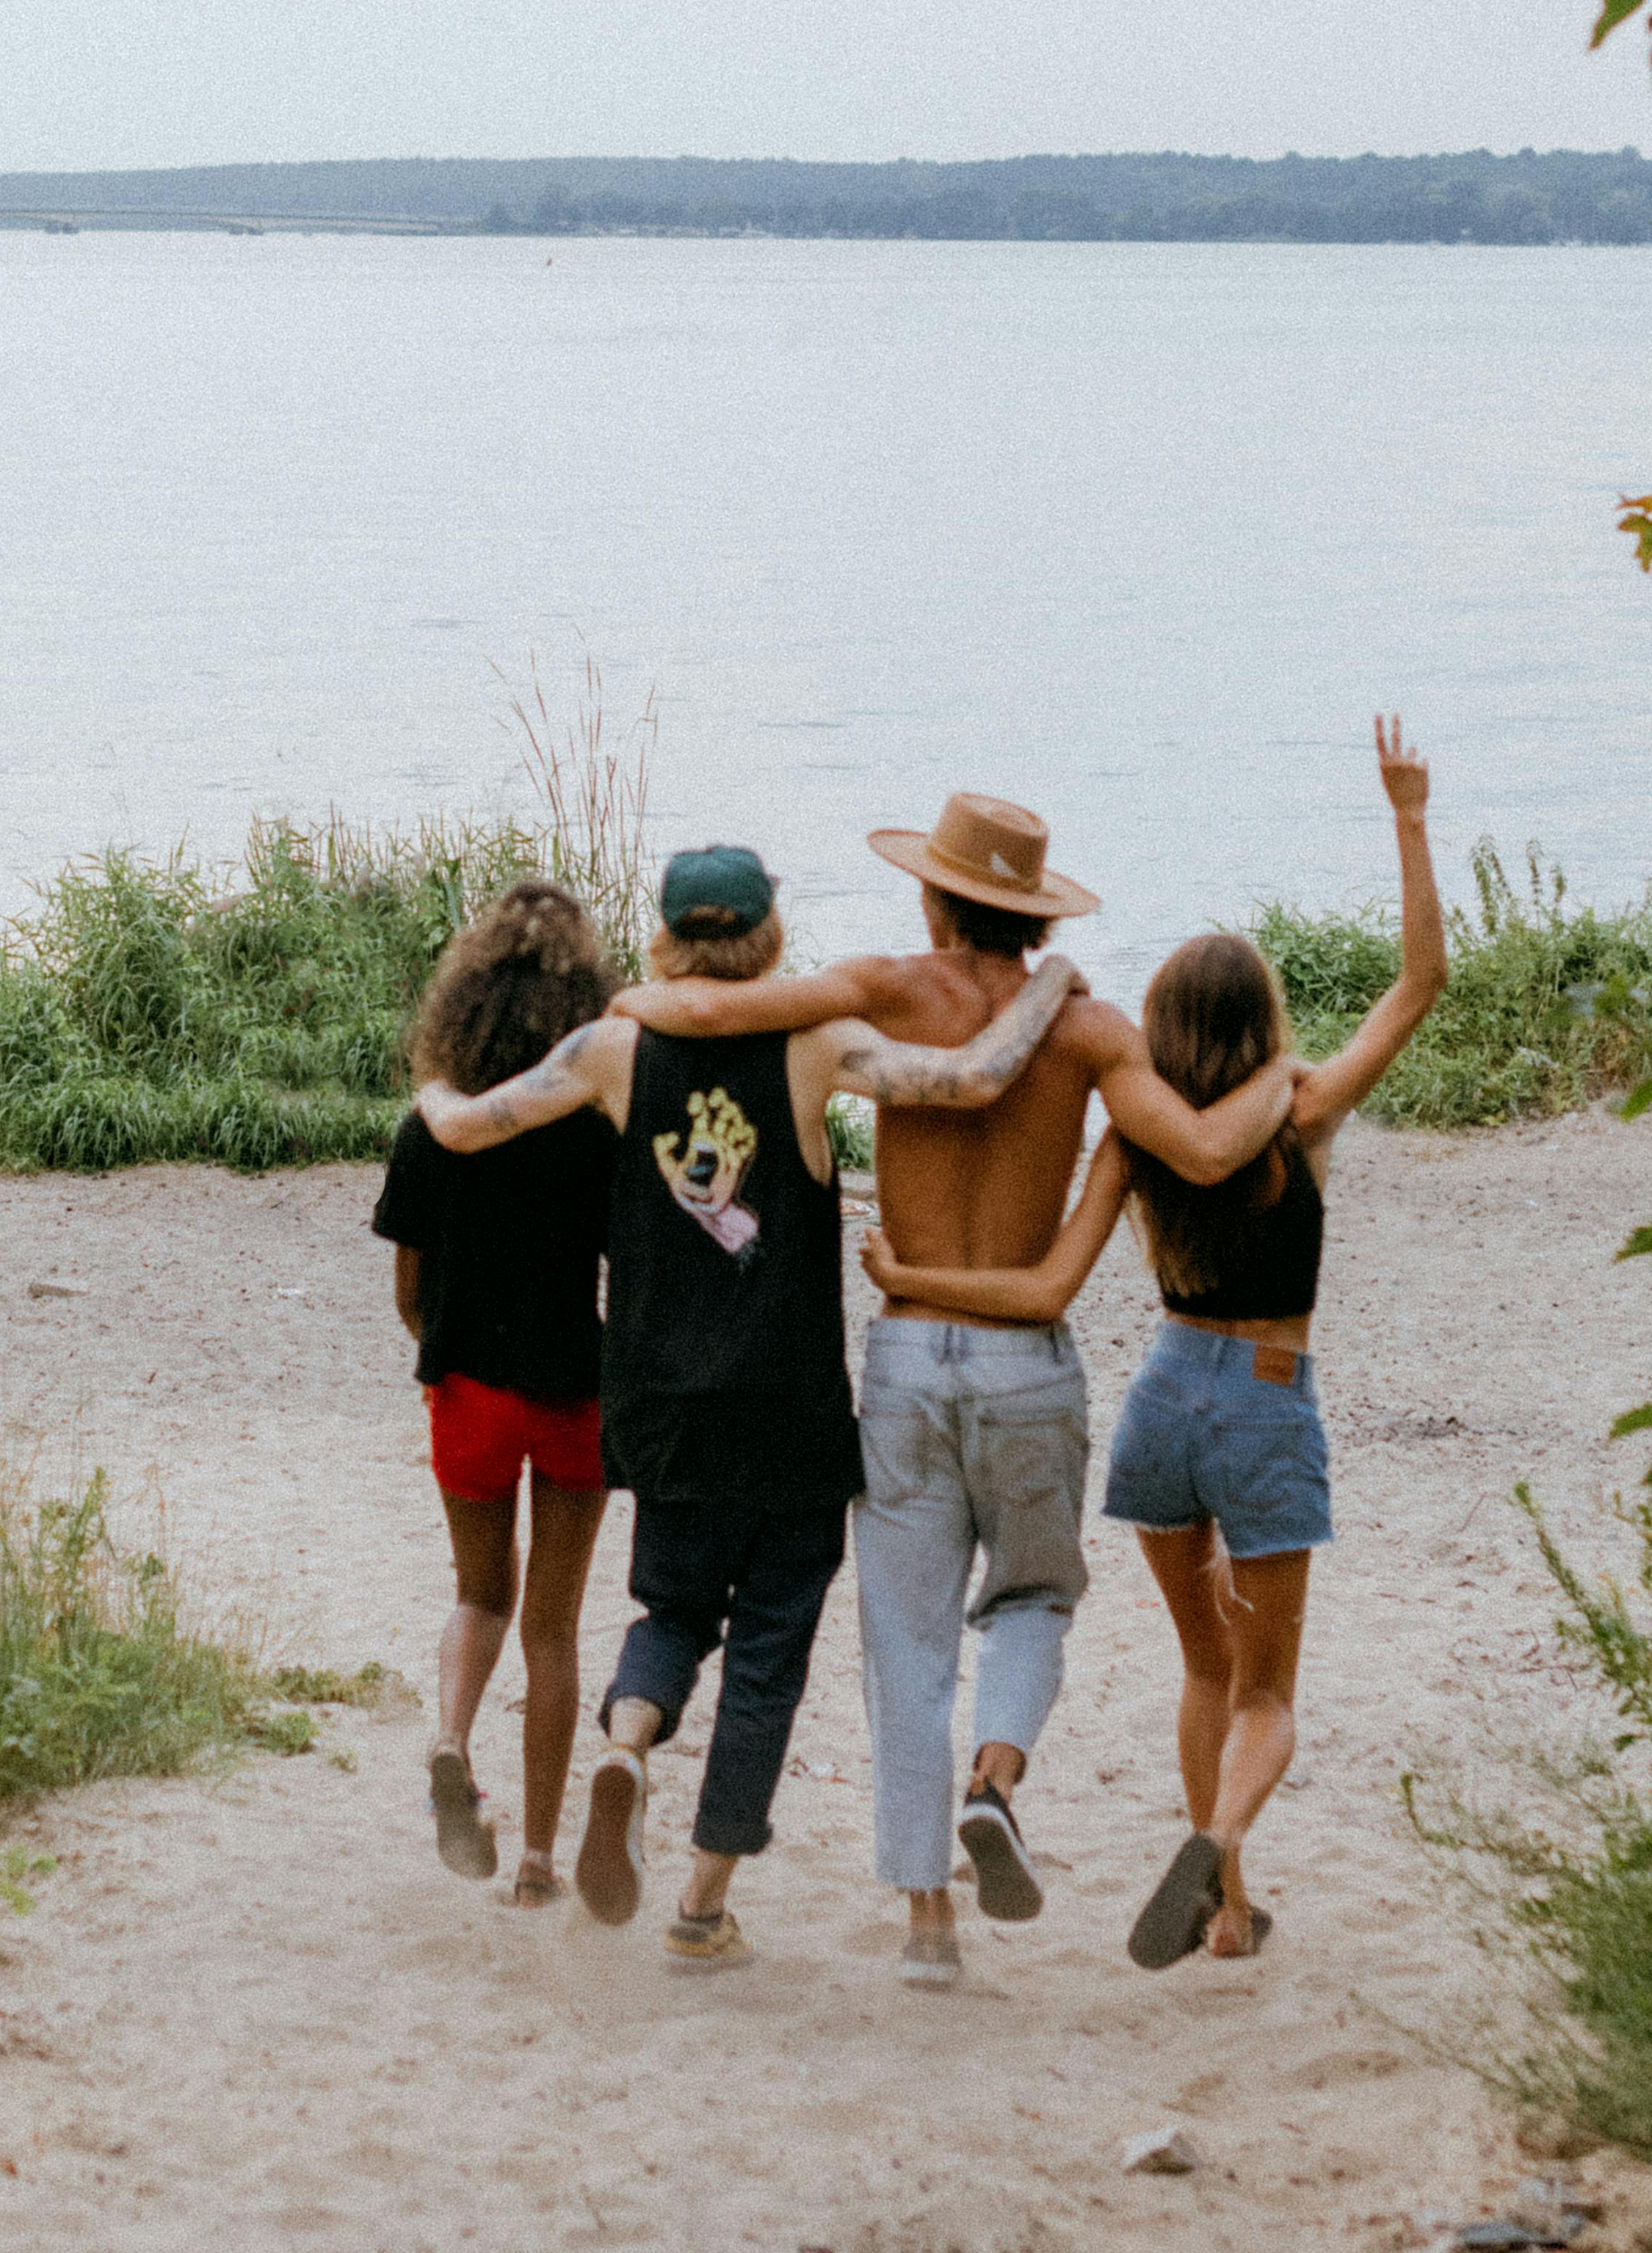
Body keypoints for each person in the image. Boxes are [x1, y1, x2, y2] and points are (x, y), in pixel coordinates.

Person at [614, 795, 1300, 1988]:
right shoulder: (1088, 1030)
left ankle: (928, 1925)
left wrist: (626, 1004)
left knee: (907, 1642)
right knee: (1033, 1597)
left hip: (905, 1356)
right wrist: (1290, 1076)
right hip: (1025, 1363)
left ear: (934, 899)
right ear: (1035, 917)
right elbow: (1198, 1150)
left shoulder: (880, 989)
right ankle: (996, 1778)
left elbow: (713, 1010)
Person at [413, 841, 1087, 1969]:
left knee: (670, 1614)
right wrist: (1054, 984)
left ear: (665, 936)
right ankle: (701, 1900)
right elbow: (973, 1079)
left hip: (659, 1405)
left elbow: (470, 1126)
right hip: (790, 1409)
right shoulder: (817, 1046)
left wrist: (431, 1086)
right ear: (770, 936)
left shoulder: (613, 1047)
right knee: (767, 1660)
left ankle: (629, 1743)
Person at [857, 719, 1447, 1967]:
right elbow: (1418, 986)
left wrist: (908, 1279)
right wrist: (1408, 817)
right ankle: (1217, 1844)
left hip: (1164, 1402)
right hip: (1267, 1396)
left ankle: (1228, 1908)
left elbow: (1051, 1282)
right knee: (1267, 1694)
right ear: (1264, 1018)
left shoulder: (1136, 1132)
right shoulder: (1298, 1108)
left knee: (1204, 1668)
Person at [372, 878, 622, 1902]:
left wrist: (452, 1358)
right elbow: (627, 1278)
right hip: (571, 1393)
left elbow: (409, 1295)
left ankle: (449, 1741)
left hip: (467, 1388)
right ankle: (536, 1862)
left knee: (479, 1595)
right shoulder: (597, 1133)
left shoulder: (430, 1130)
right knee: (552, 1631)